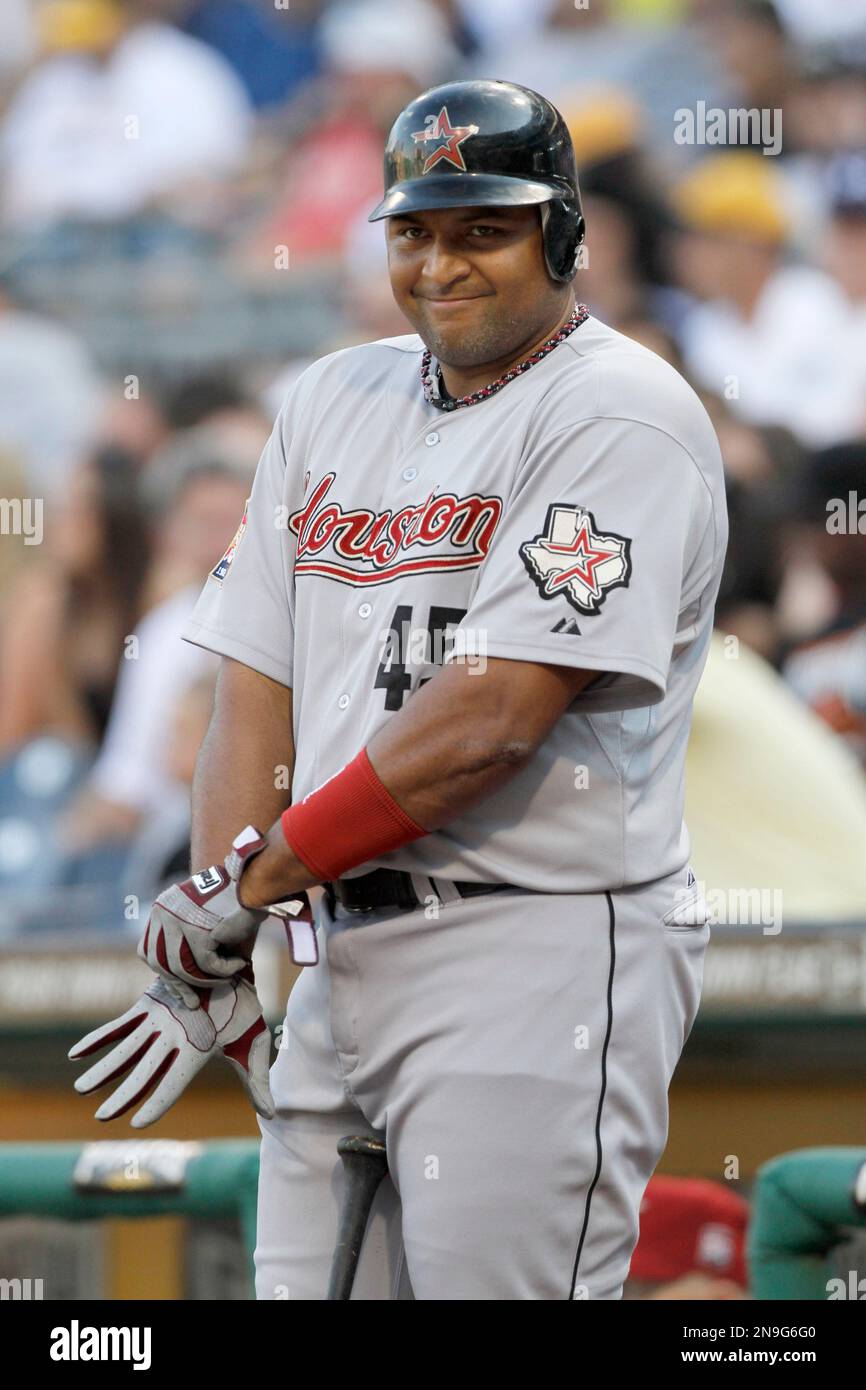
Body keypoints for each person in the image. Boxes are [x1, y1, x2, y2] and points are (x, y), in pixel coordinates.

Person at [71, 79, 728, 1301]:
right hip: (334, 944)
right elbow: (255, 682)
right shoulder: (330, 398)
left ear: (563, 235)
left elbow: (489, 718)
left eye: (483, 228)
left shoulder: (620, 413)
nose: (442, 263)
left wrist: (251, 883)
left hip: (534, 939)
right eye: (415, 231)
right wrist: (242, 926)